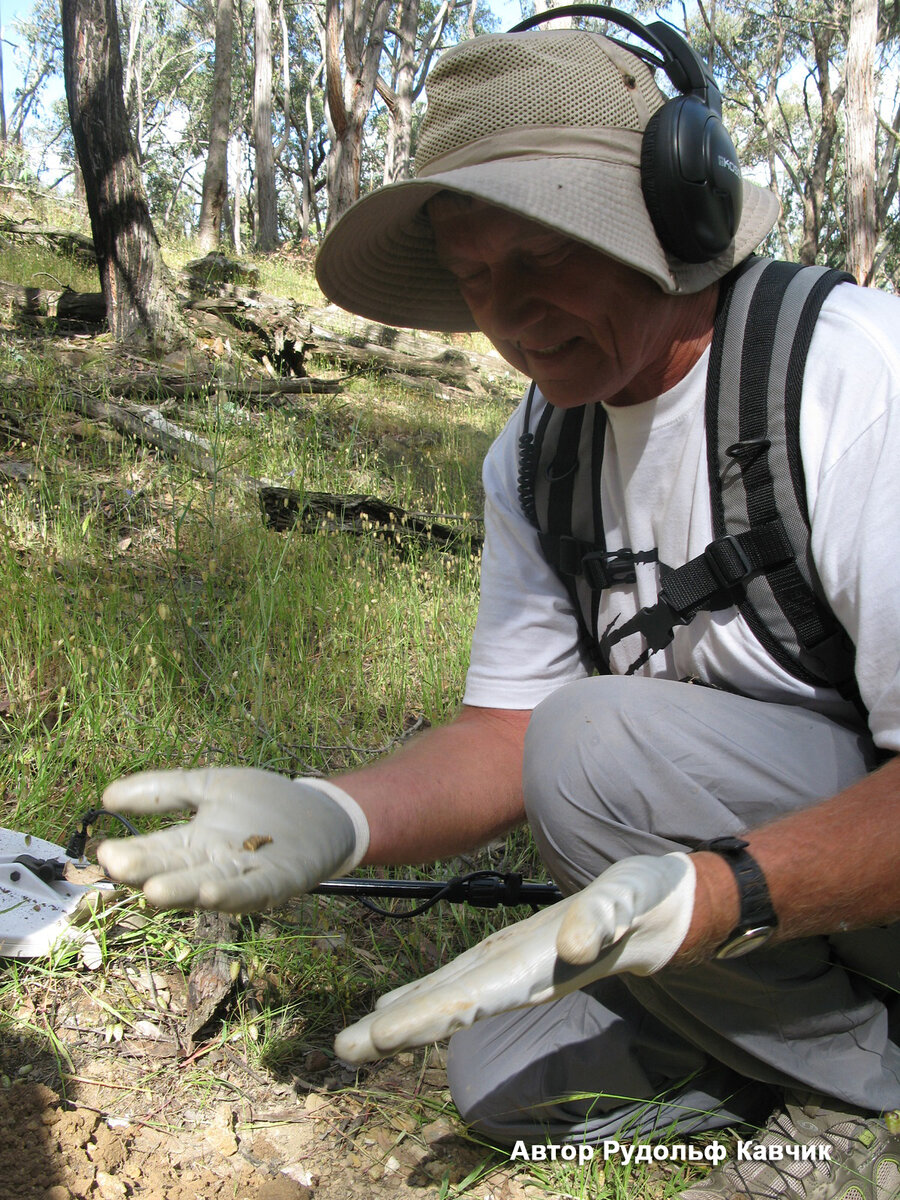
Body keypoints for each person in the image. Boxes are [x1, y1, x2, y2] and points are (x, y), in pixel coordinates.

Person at [97, 19, 900, 1198]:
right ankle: (783, 1053)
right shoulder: (537, 451)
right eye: (475, 278)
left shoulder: (853, 381)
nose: (508, 319)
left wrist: (710, 898)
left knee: (598, 743)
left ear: (673, 220)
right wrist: (334, 816)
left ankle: (852, 1097)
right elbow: (507, 733)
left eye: (540, 260)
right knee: (500, 1077)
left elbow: (568, 751)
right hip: (774, 898)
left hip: (832, 873)